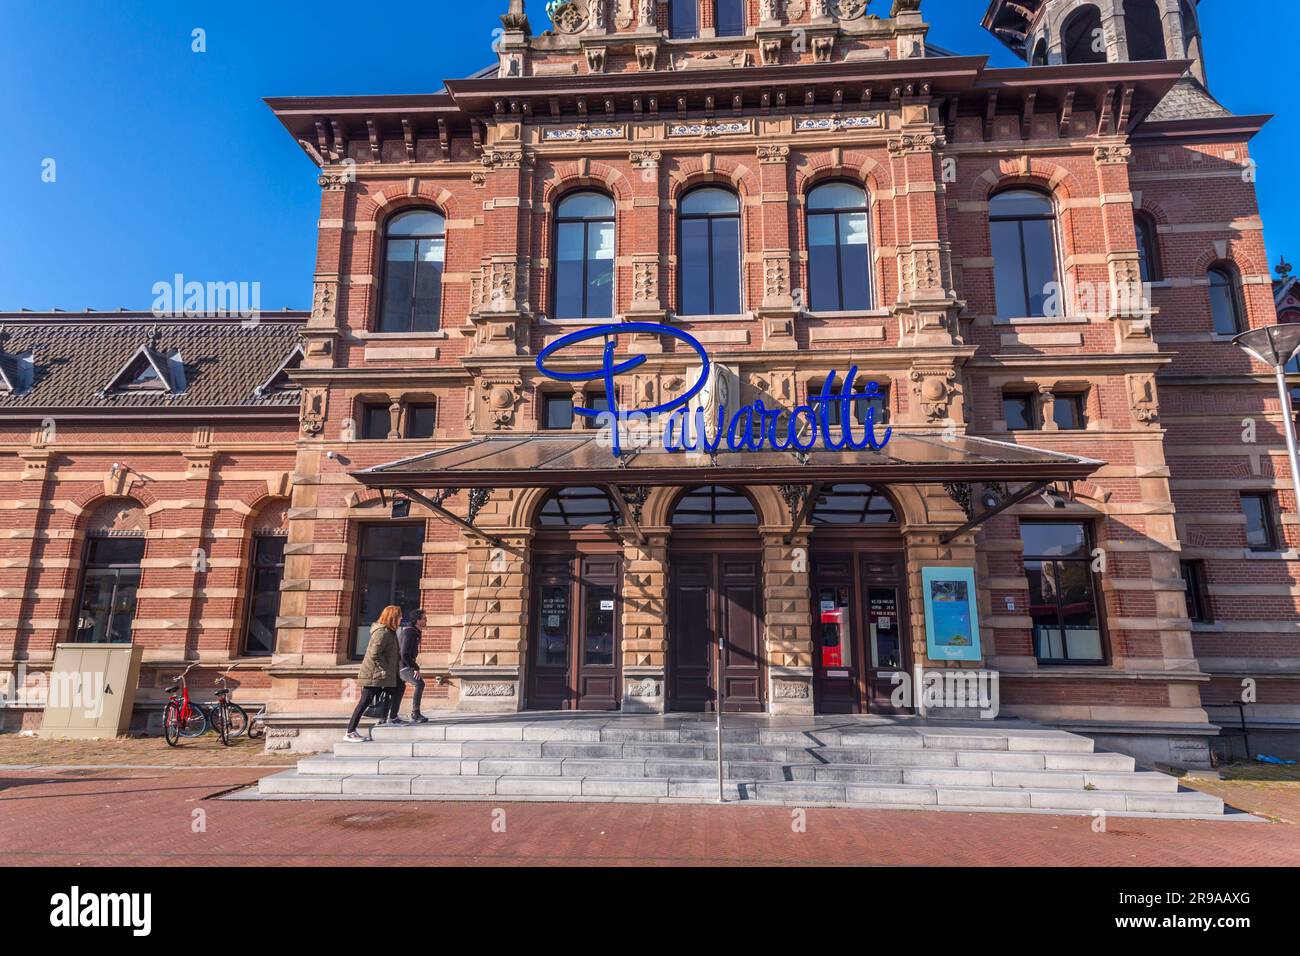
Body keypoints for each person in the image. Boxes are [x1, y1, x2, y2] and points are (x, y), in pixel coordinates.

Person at [345, 604, 402, 741]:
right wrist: (385, 668)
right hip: (374, 674)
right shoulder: (382, 632)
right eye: (399, 616)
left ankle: (388, 718)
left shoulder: (390, 632)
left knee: (398, 687)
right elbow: (374, 654)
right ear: (392, 617)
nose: (402, 618)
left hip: (383, 673)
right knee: (365, 701)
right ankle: (350, 731)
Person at [393, 608, 429, 724]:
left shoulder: (414, 632)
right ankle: (415, 713)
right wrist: (414, 668)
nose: (426, 620)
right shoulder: (410, 632)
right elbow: (404, 654)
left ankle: (391, 716)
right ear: (417, 621)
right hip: (402, 666)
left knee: (399, 690)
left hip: (402, 665)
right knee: (419, 683)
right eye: (424, 618)